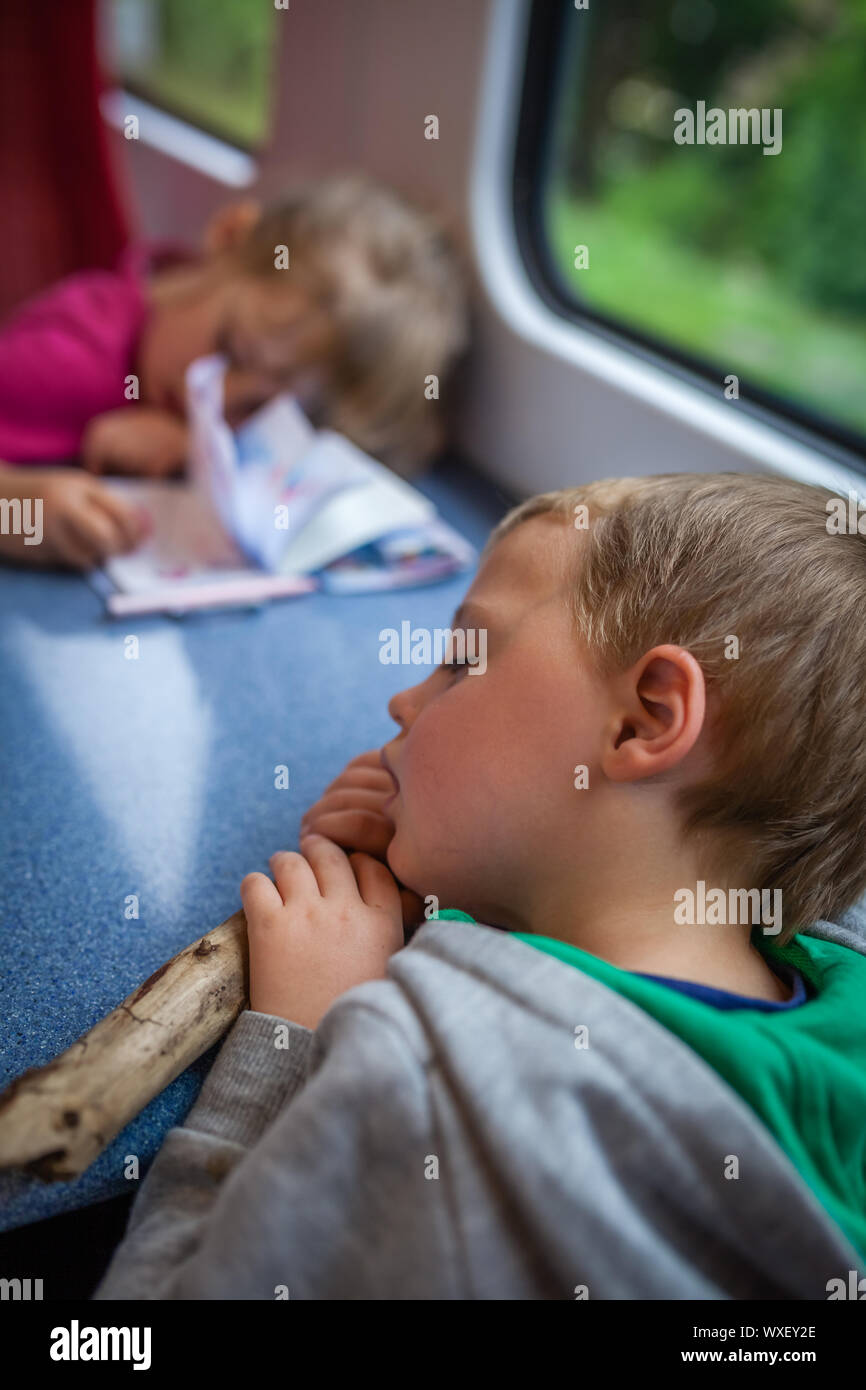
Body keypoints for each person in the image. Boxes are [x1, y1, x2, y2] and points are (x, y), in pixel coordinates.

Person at [94, 471, 866, 1299]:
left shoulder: (425, 1089)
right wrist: (472, 879)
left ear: (646, 717)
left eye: (461, 661)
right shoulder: (835, 982)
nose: (401, 701)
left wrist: (304, 1040)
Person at [0, 174, 468, 569]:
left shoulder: (185, 337)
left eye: (256, 409)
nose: (213, 399)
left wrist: (189, 449)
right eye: (230, 349)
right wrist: (21, 511)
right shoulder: (67, 360)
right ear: (229, 237)